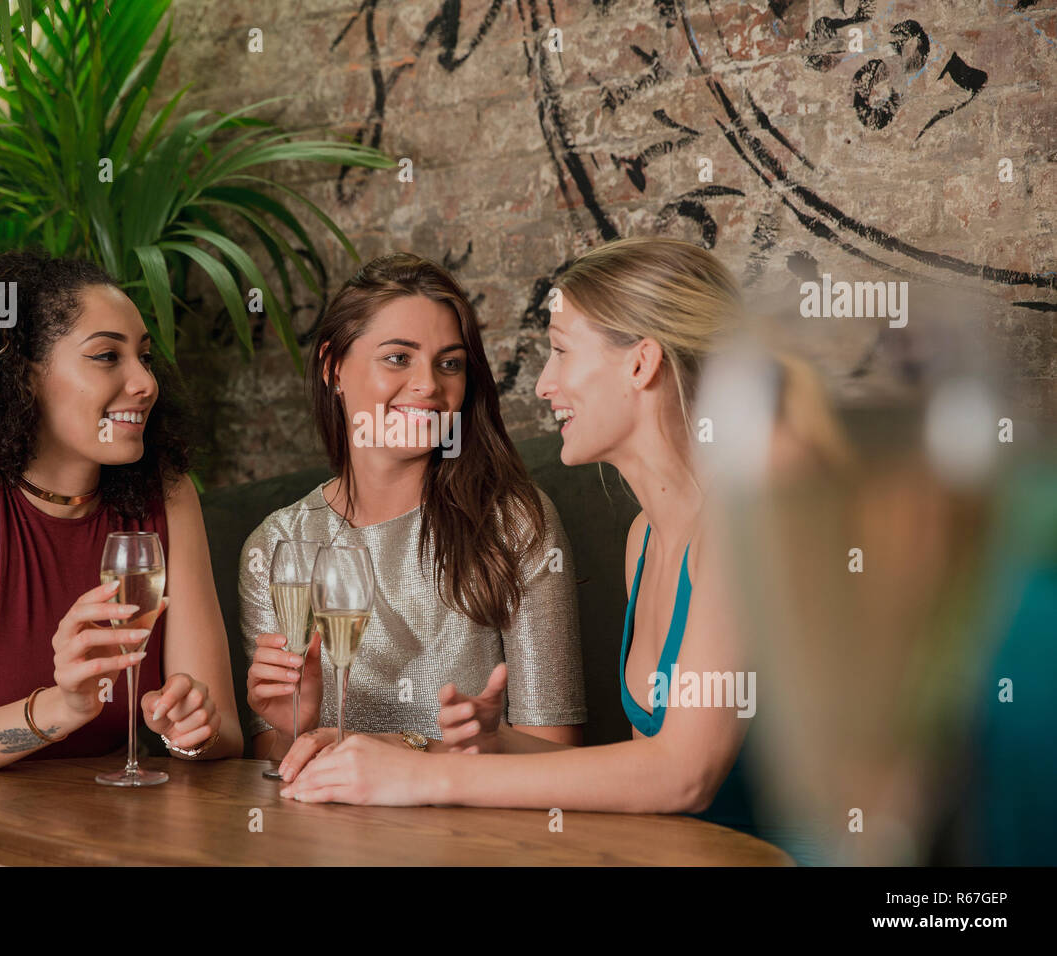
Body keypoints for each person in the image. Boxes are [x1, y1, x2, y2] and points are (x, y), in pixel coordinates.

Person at [278, 237, 775, 832]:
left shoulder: (744, 525)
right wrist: (500, 744)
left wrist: (421, 777)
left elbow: (684, 776)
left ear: (640, 363)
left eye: (561, 353)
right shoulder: (645, 539)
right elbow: (635, 771)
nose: (543, 385)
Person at [0, 251, 242, 866]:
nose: (146, 382)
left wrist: (191, 731)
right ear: (20, 374)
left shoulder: (167, 496)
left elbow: (225, 737)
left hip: (127, 835)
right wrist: (61, 707)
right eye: (107, 356)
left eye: (144, 356)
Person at [240, 253, 586, 766]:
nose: (428, 385)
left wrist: (402, 749)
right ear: (334, 367)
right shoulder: (276, 547)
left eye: (449, 363)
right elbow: (278, 757)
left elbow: (556, 753)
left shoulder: (514, 522)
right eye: (398, 358)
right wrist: (296, 728)